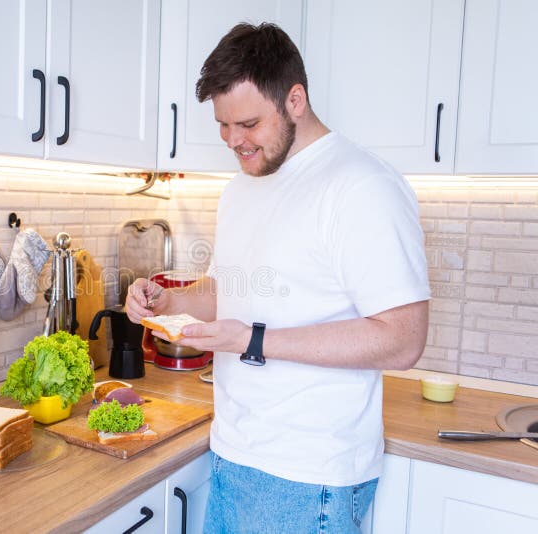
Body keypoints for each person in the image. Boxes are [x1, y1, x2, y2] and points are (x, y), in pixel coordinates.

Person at [125, 22, 430, 533]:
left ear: (295, 99)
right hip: (232, 452)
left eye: (247, 123)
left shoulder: (361, 186)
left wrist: (252, 340)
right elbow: (227, 293)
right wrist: (166, 301)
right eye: (223, 125)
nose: (233, 141)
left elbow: (403, 338)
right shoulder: (242, 187)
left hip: (309, 477)